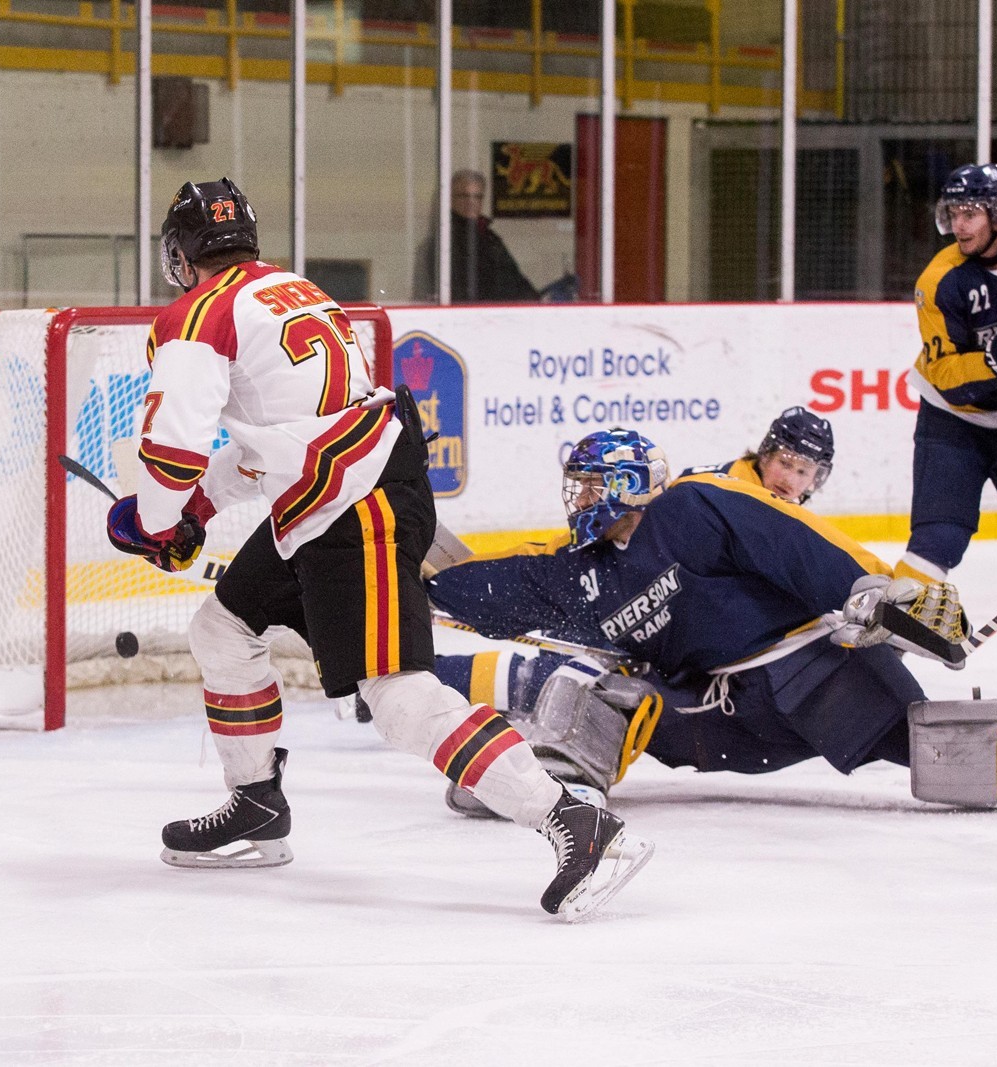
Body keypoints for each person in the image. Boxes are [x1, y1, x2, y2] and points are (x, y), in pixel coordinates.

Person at [103, 177, 651, 921]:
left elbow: (171, 451)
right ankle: (256, 801)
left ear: (178, 254)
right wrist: (194, 509)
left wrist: (160, 517)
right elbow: (281, 436)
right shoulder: (290, 291)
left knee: (399, 699)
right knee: (223, 627)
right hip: (335, 494)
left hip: (352, 510)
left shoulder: (196, 315)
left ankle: (576, 824)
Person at [426, 428, 963, 815]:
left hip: (818, 676)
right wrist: (414, 580)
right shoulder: (579, 568)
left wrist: (874, 588)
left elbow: (795, 542)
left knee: (947, 754)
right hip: (724, 719)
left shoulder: (693, 505)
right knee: (597, 686)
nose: (580, 498)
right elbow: (496, 583)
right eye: (577, 486)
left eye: (592, 485)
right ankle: (559, 787)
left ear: (629, 483)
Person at [903, 162, 997, 691]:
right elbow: (946, 376)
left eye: (971, 212)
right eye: (953, 214)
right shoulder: (940, 280)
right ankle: (883, 657)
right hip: (954, 423)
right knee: (938, 536)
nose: (960, 225)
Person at [415, 170, 540, 303]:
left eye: (477, 197)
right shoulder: (444, 241)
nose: (471, 202)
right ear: (449, 199)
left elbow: (514, 279)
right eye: (464, 196)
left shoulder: (488, 237)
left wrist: (536, 301)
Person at [681, 405, 836, 505]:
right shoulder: (727, 493)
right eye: (785, 463)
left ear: (816, 478)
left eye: (802, 472)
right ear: (767, 455)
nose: (789, 480)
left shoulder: (772, 503)